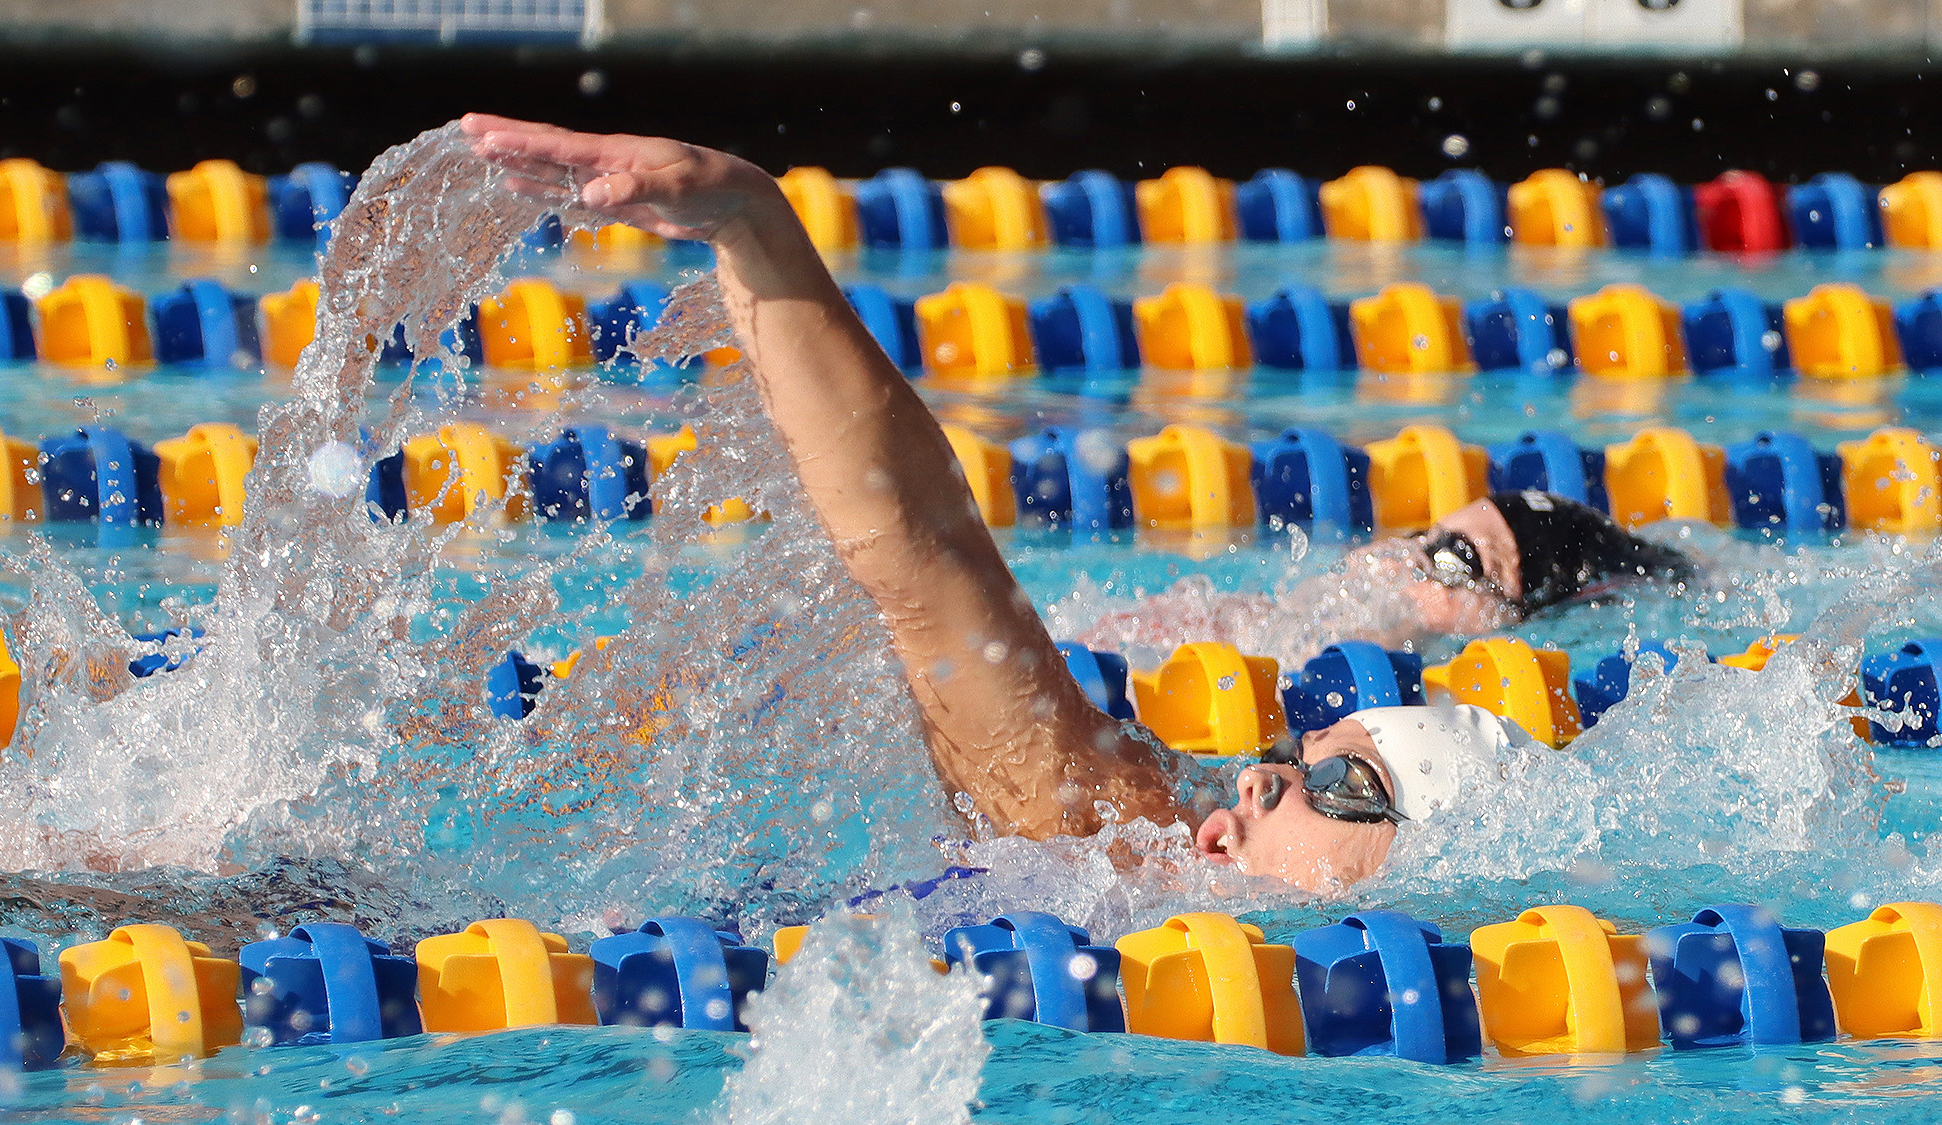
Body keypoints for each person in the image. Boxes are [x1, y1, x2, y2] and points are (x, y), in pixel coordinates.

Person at [460, 116, 1692, 894]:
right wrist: (757, 230)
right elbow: (928, 562)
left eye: (1342, 792)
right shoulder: (1122, 840)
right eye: (1294, 761)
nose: (1261, 782)